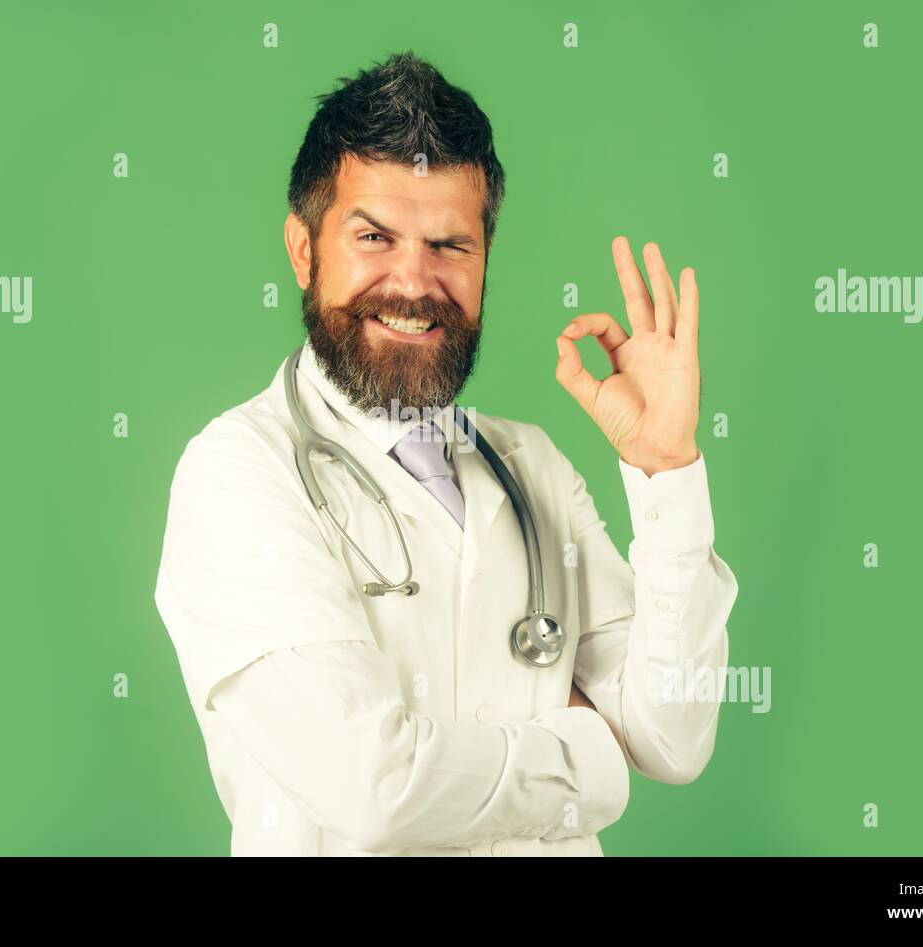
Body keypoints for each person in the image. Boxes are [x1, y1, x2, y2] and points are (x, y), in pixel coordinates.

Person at [153, 50, 738, 856]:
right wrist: (594, 758)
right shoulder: (237, 473)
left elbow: (674, 735)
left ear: (486, 258)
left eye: (450, 246)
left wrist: (667, 470)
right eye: (374, 236)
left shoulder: (530, 465)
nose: (414, 280)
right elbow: (379, 788)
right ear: (302, 248)